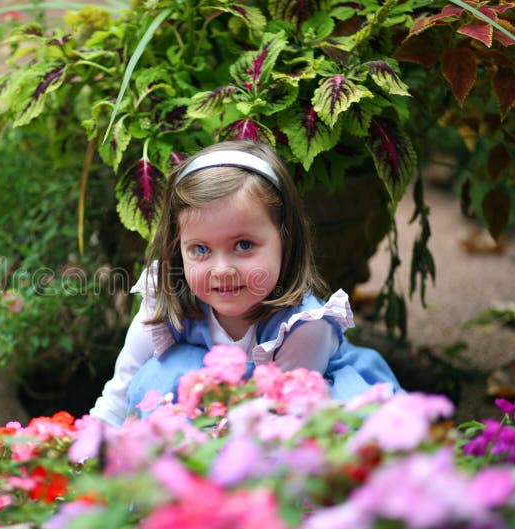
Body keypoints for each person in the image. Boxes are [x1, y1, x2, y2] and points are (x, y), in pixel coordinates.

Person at [90, 140, 401, 426]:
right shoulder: (166, 298)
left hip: (285, 424)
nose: (222, 270)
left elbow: (275, 420)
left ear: (286, 240)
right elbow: (122, 387)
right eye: (200, 249)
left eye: (243, 245)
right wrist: (88, 452)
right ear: (178, 247)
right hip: (217, 424)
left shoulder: (304, 327)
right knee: (168, 370)